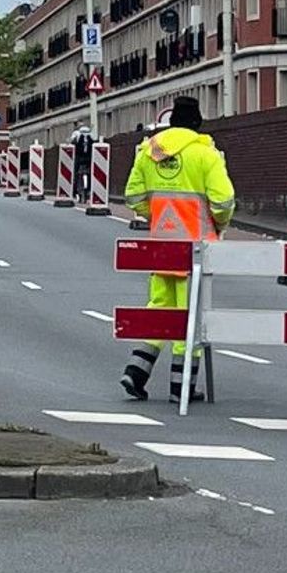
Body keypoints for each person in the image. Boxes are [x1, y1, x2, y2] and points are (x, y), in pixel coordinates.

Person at [118, 95, 235, 404]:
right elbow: (223, 201)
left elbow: (132, 197)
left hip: (161, 247)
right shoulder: (205, 155)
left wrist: (156, 214)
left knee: (159, 310)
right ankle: (180, 387)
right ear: (197, 123)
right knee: (190, 318)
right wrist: (217, 224)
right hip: (195, 249)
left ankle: (136, 371)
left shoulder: (149, 152)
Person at [70, 122, 93, 204]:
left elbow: (72, 143)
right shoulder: (91, 135)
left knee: (76, 173)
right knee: (91, 174)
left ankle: (75, 191)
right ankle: (89, 191)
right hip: (89, 158)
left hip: (79, 158)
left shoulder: (76, 134)